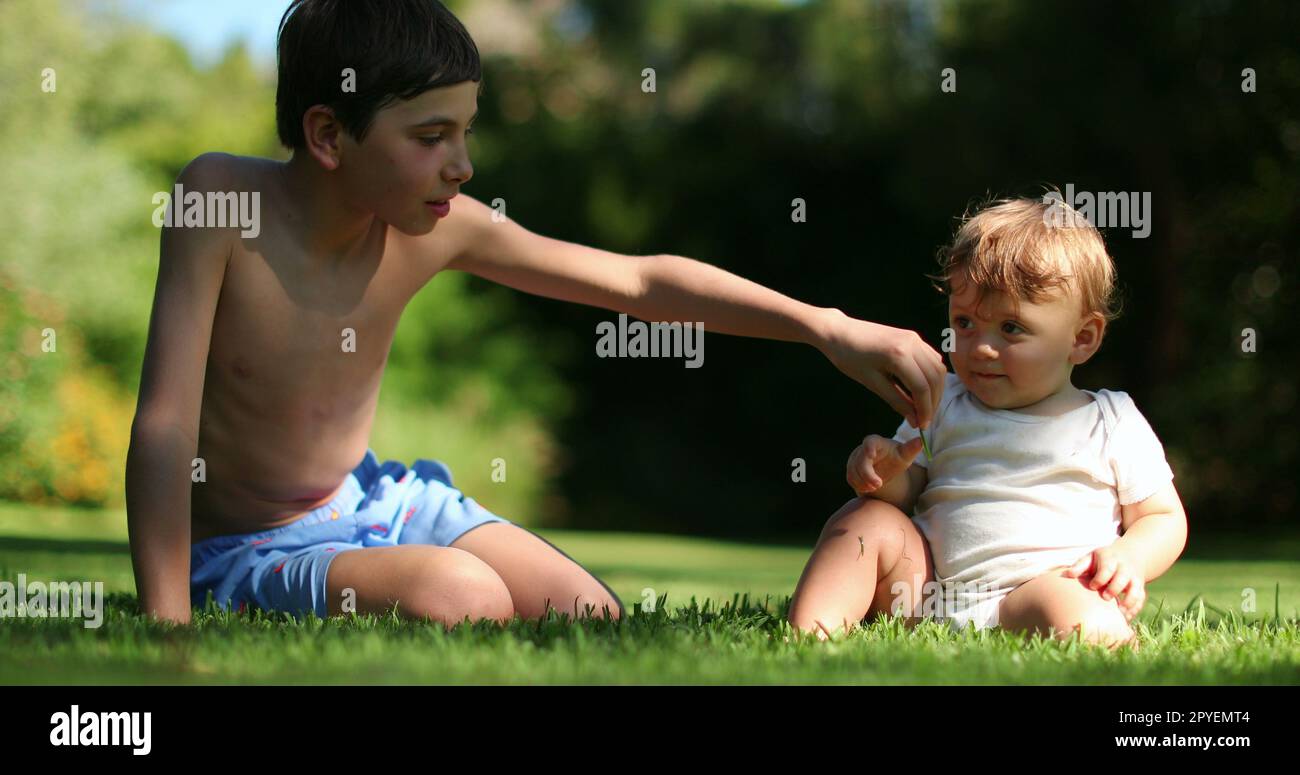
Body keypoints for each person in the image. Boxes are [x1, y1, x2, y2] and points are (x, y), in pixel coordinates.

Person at [126, 0, 946, 627]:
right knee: (465, 596)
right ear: (329, 135)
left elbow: (634, 283)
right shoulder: (220, 202)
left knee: (592, 615)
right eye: (432, 136)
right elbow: (166, 427)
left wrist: (825, 325)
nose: (463, 164)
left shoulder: (435, 231)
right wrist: (169, 626)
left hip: (381, 499)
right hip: (246, 543)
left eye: (466, 132)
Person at [787, 194, 1188, 650]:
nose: (980, 348)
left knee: (1075, 611)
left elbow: (1163, 516)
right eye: (965, 322)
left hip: (1036, 592)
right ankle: (809, 639)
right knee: (865, 521)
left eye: (1011, 329)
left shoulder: (1110, 420)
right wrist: (885, 474)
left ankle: (1104, 646)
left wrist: (1129, 557)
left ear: (1082, 338)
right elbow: (906, 492)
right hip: (927, 589)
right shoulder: (945, 399)